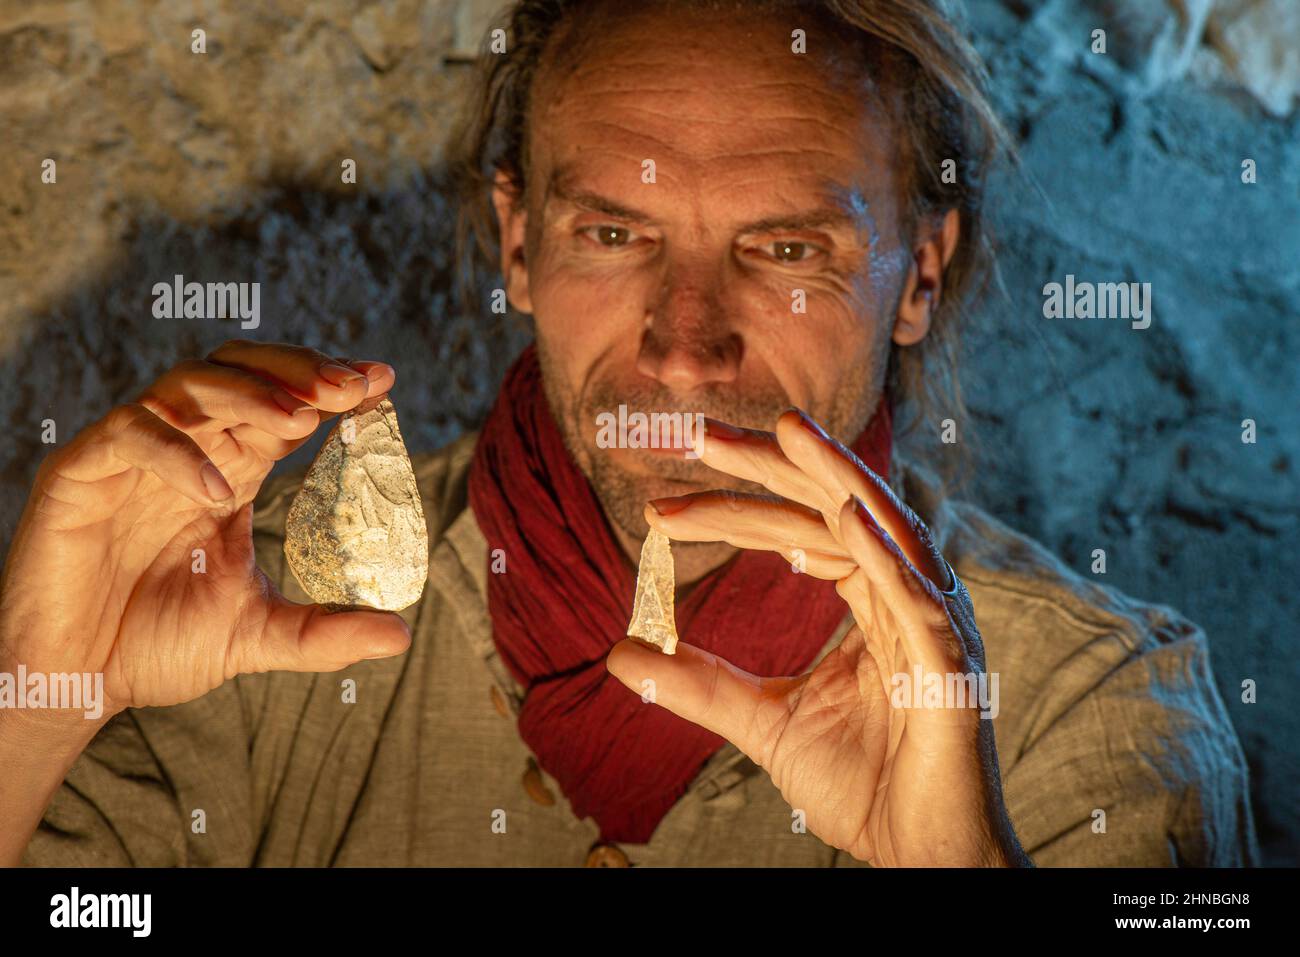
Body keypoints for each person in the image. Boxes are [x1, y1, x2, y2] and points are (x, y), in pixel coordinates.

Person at [0, 0, 1256, 867]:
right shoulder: (240, 616)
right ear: (519, 243)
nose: (684, 346)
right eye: (613, 235)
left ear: (919, 275)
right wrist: (36, 694)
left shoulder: (1083, 708)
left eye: (784, 249)